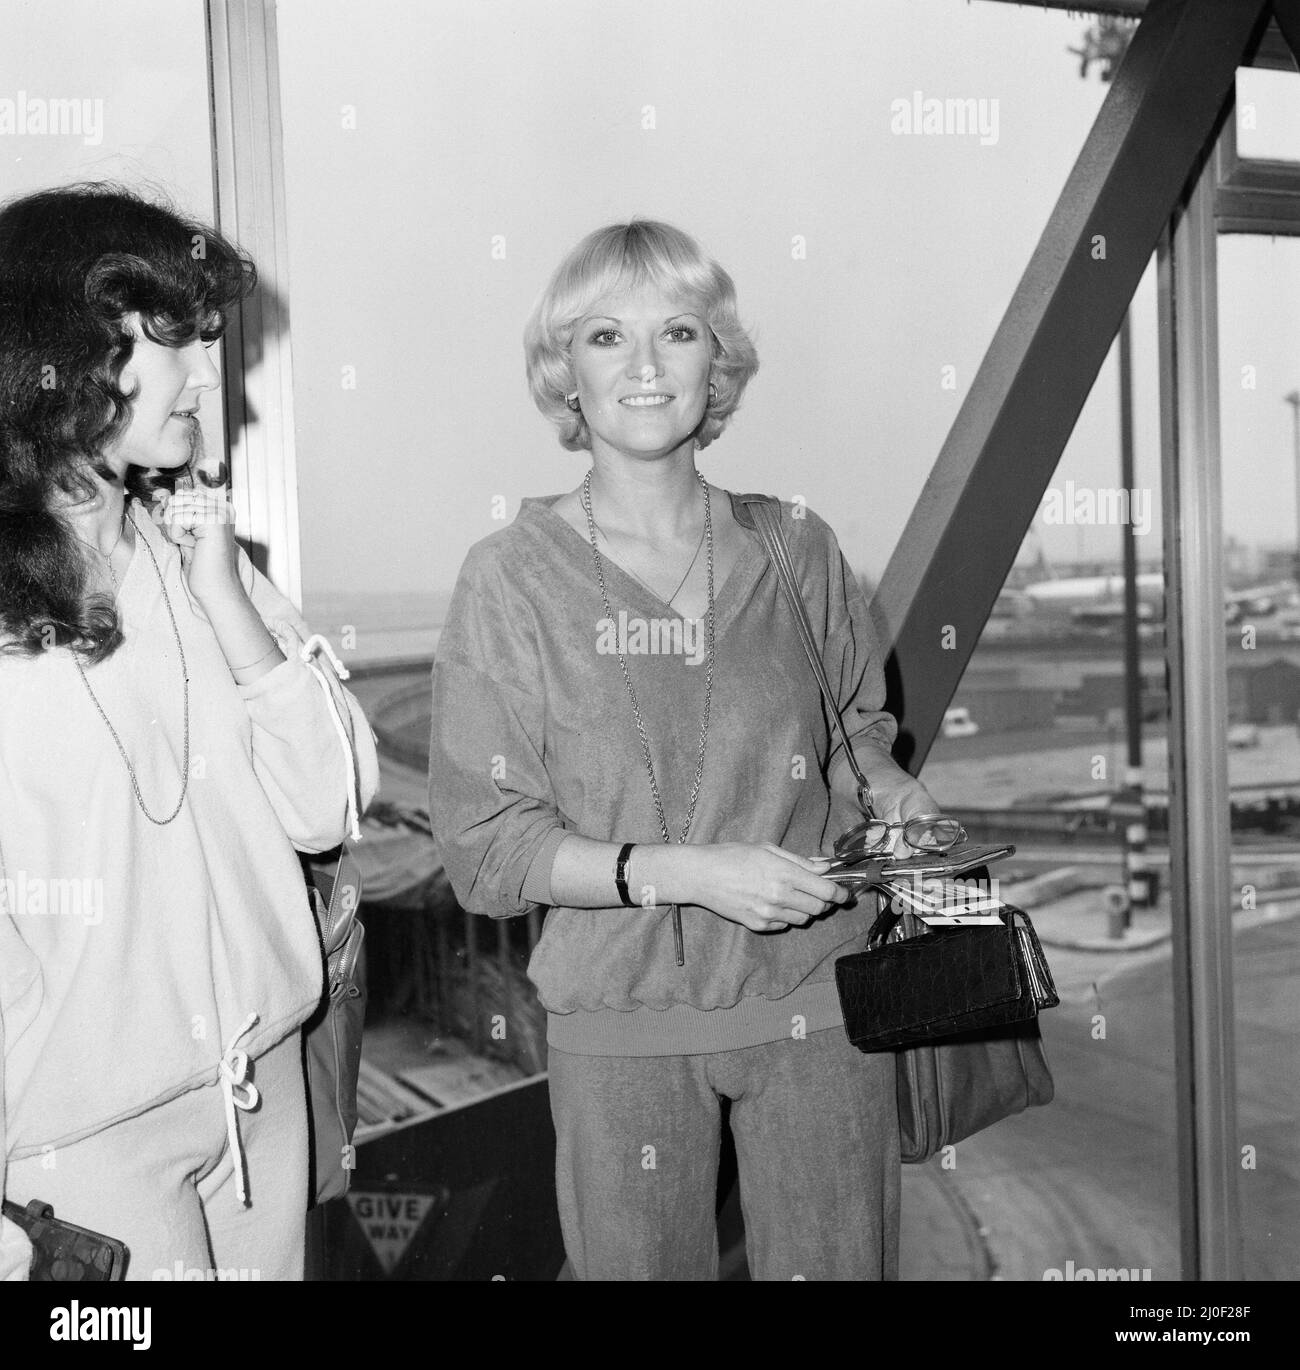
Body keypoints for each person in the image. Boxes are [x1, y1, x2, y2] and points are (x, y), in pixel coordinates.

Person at [429, 219, 945, 1280]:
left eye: (677, 331)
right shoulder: (509, 579)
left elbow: (854, 734)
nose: (646, 366)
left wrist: (894, 794)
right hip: (619, 1035)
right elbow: (487, 850)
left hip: (815, 1008)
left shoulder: (794, 546)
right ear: (562, 370)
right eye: (605, 336)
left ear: (718, 360)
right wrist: (689, 875)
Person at [0, 184, 378, 1281]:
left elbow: (328, 804)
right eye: (175, 341)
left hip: (258, 1105)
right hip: (80, 1151)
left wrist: (226, 601)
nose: (210, 378)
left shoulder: (206, 564)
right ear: (61, 356)